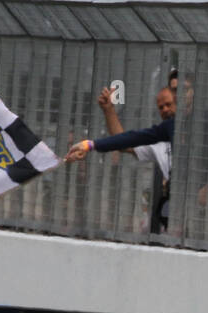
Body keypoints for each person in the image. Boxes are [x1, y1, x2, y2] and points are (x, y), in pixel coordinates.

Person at [66, 85, 175, 232]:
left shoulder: (200, 133)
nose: (165, 110)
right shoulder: (159, 139)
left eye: (169, 104)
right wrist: (108, 111)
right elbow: (126, 142)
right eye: (161, 107)